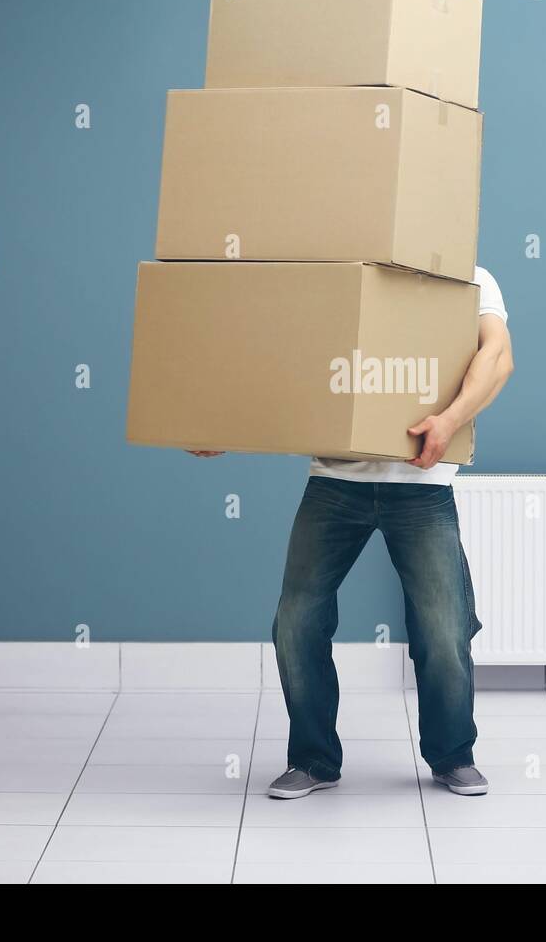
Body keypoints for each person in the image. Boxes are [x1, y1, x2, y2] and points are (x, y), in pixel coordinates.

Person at [189, 267, 512, 798]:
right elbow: (284, 359)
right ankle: (313, 760)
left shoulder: (468, 275)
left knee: (444, 628)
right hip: (336, 482)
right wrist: (226, 424)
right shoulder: (336, 270)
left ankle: (453, 754)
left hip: (422, 485)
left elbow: (498, 356)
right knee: (296, 622)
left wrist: (450, 420)